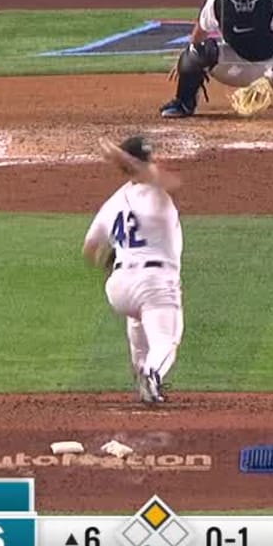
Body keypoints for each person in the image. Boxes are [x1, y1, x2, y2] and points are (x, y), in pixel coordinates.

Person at [83, 134, 184, 406]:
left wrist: (112, 258)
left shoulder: (114, 201)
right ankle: (151, 375)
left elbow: (90, 248)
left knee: (138, 320)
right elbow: (171, 181)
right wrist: (125, 160)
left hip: (119, 285)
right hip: (154, 282)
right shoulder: (158, 194)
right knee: (167, 340)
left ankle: (142, 371)